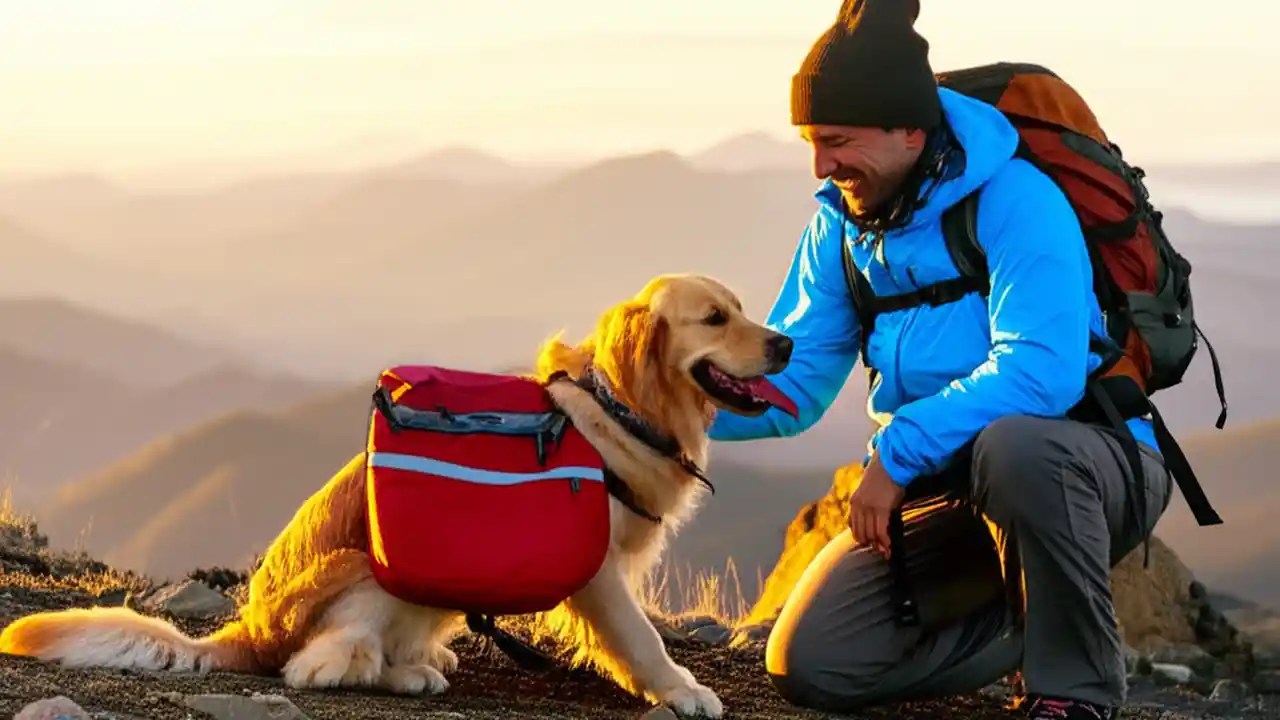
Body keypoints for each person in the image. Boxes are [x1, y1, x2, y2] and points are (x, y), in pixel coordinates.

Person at [706, 1, 1173, 719]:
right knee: (812, 663)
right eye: (812, 143)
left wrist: (899, 451)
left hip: (1085, 461)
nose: (822, 167)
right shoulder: (840, 225)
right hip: (949, 488)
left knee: (1015, 448)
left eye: (837, 141)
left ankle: (1071, 692)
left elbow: (1040, 374)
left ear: (909, 130)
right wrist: (655, 411)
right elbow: (793, 383)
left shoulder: (1018, 200)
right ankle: (1038, 618)